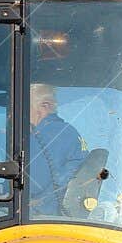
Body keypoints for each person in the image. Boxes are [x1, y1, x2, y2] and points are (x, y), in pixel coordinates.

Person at [29, 83, 87, 216]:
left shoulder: (46, 134)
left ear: (45, 106)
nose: (12, 115)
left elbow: (30, 184)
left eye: (23, 108)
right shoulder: (68, 132)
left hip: (42, 216)